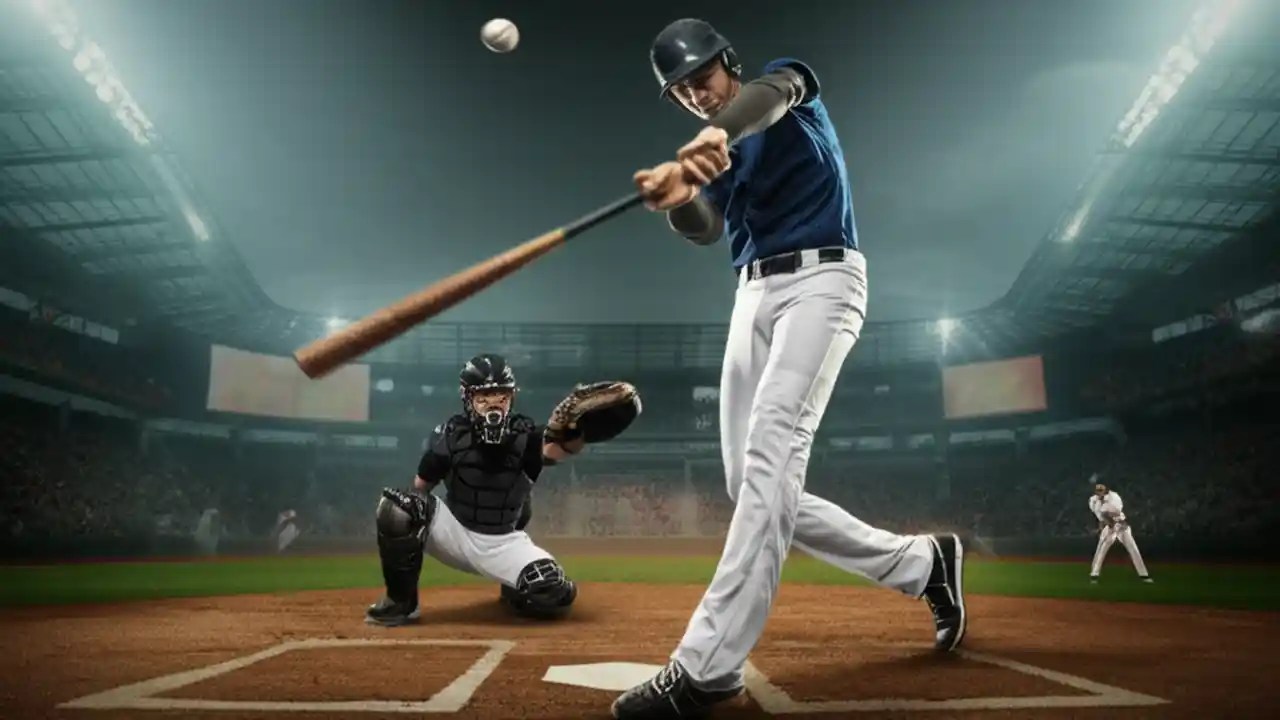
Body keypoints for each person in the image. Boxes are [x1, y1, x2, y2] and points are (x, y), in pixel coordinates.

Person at [612, 19, 967, 719]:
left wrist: (712, 138)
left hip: (823, 280)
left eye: (703, 77)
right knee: (748, 483)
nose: (696, 94)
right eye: (681, 90)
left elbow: (768, 99)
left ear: (728, 62)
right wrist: (678, 200)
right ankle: (923, 563)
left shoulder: (782, 89)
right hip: (753, 293)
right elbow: (706, 229)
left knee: (772, 459)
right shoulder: (714, 153)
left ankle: (706, 668)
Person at [365, 354, 640, 625]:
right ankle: (400, 602)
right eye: (484, 396)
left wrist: (576, 430)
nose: (493, 403)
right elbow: (419, 490)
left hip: (503, 543)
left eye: (501, 395)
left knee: (552, 593)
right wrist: (415, 529)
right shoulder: (448, 435)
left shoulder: (527, 435)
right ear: (467, 397)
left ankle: (514, 589)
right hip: (455, 533)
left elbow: (559, 450)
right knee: (398, 507)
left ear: (512, 396)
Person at [1088, 477, 1153, 584]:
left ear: (1106, 488)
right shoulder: (1093, 500)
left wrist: (1111, 520)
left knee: (1133, 548)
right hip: (1108, 526)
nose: (1099, 490)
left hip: (1120, 524)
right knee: (1101, 549)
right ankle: (1094, 575)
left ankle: (1144, 575)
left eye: (1101, 488)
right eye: (1097, 488)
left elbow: (1116, 512)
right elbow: (1099, 516)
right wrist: (1102, 526)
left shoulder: (1114, 496)